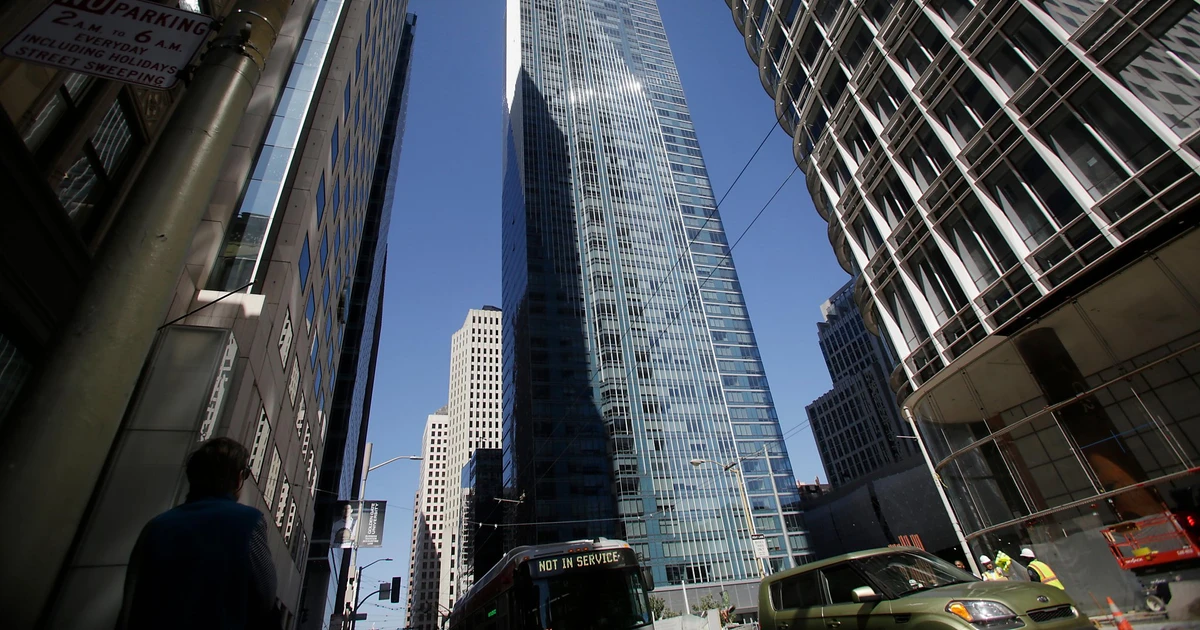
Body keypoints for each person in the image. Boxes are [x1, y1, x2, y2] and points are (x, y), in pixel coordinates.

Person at [118, 437, 278, 630]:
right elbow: (266, 597)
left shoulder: (155, 527)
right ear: (237, 478)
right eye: (245, 474)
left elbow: (130, 604)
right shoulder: (249, 522)